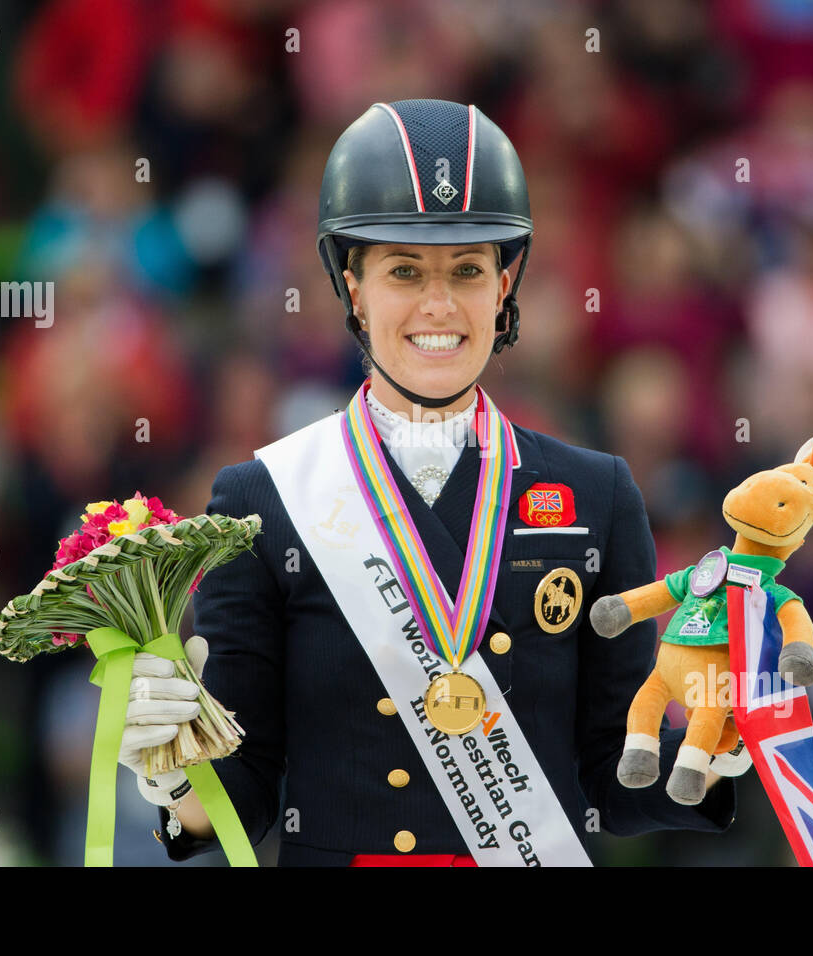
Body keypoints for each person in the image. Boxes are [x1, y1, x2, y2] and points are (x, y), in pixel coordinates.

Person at [118, 99, 741, 866]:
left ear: (505, 285)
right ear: (353, 286)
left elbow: (610, 773)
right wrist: (177, 773)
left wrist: (712, 749)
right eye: (405, 271)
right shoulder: (264, 499)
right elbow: (244, 800)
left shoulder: (599, 496)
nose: (439, 306)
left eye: (469, 271)